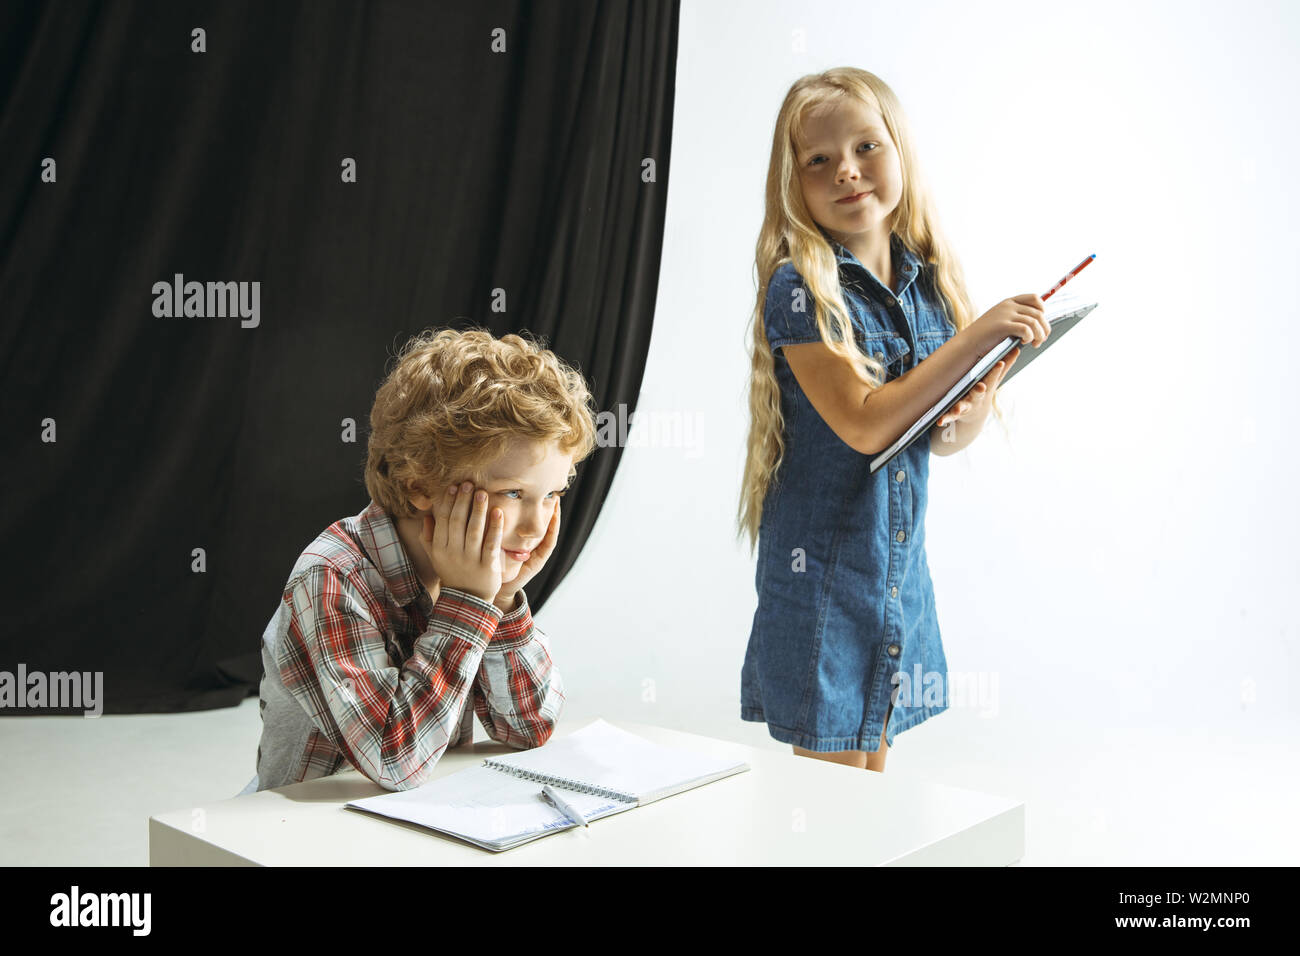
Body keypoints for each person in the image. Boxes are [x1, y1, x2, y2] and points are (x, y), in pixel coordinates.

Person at [737, 67, 1050, 773]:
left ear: (900, 151)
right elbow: (867, 424)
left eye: (866, 147)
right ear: (794, 183)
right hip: (823, 584)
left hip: (895, 572)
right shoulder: (799, 288)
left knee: (870, 798)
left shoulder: (927, 282)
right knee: (830, 806)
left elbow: (937, 437)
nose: (846, 171)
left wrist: (974, 403)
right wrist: (977, 337)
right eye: (818, 160)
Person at [251, 328, 596, 792]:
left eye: (552, 494)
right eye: (513, 493)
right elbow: (394, 761)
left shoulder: (477, 573)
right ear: (420, 485)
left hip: (423, 818)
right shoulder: (332, 576)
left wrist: (504, 597)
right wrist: (471, 604)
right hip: (300, 831)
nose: (537, 526)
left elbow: (529, 728)